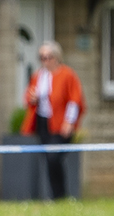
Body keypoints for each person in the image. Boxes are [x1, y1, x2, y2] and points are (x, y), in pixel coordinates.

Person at [20, 40, 84, 200]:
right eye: (42, 57)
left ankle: (61, 195)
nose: (45, 61)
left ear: (56, 57)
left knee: (53, 157)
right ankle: (57, 197)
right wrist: (32, 98)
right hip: (43, 122)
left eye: (48, 57)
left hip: (60, 124)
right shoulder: (38, 76)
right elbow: (29, 97)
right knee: (48, 159)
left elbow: (74, 100)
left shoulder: (67, 74)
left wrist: (69, 122)